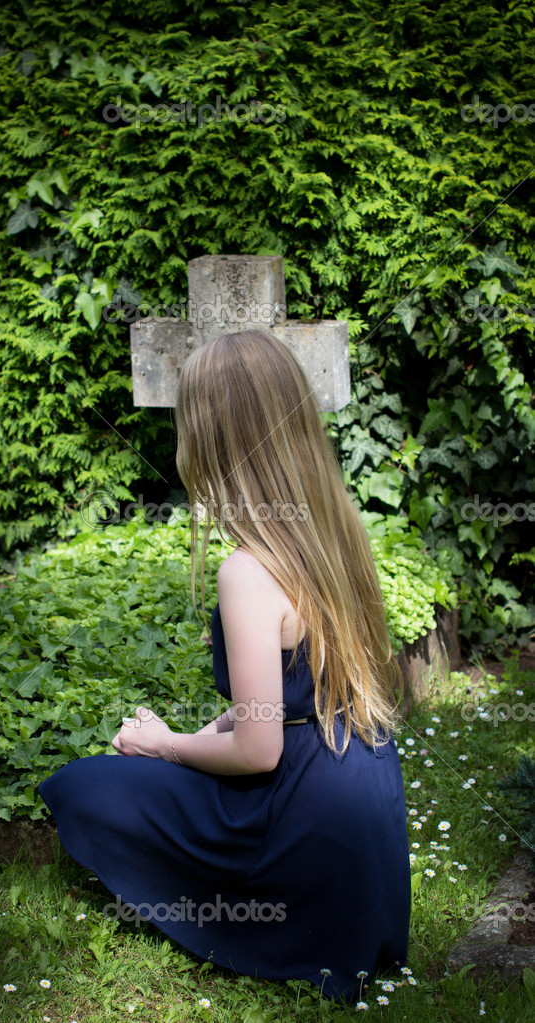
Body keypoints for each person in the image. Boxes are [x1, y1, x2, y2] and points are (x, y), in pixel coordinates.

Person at [38, 328, 411, 1004]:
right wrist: (196, 738)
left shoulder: (248, 570)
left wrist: (165, 745)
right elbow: (286, 703)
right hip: (363, 825)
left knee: (84, 785)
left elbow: (260, 749)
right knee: (160, 770)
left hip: (300, 822)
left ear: (213, 440)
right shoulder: (333, 531)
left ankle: (268, 912)